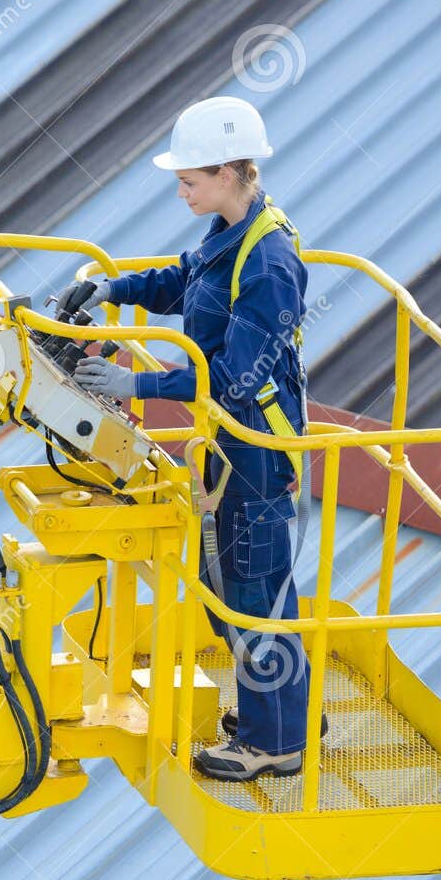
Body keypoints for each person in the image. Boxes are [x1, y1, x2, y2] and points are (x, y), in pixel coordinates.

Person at [53, 95, 321, 782]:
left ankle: (273, 744)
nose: (181, 189)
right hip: (231, 441)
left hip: (253, 447)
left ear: (232, 171)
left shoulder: (267, 264)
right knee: (254, 582)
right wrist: (114, 287)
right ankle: (290, 708)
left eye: (191, 179)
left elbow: (231, 377)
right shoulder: (234, 231)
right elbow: (185, 282)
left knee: (248, 591)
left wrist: (134, 386)